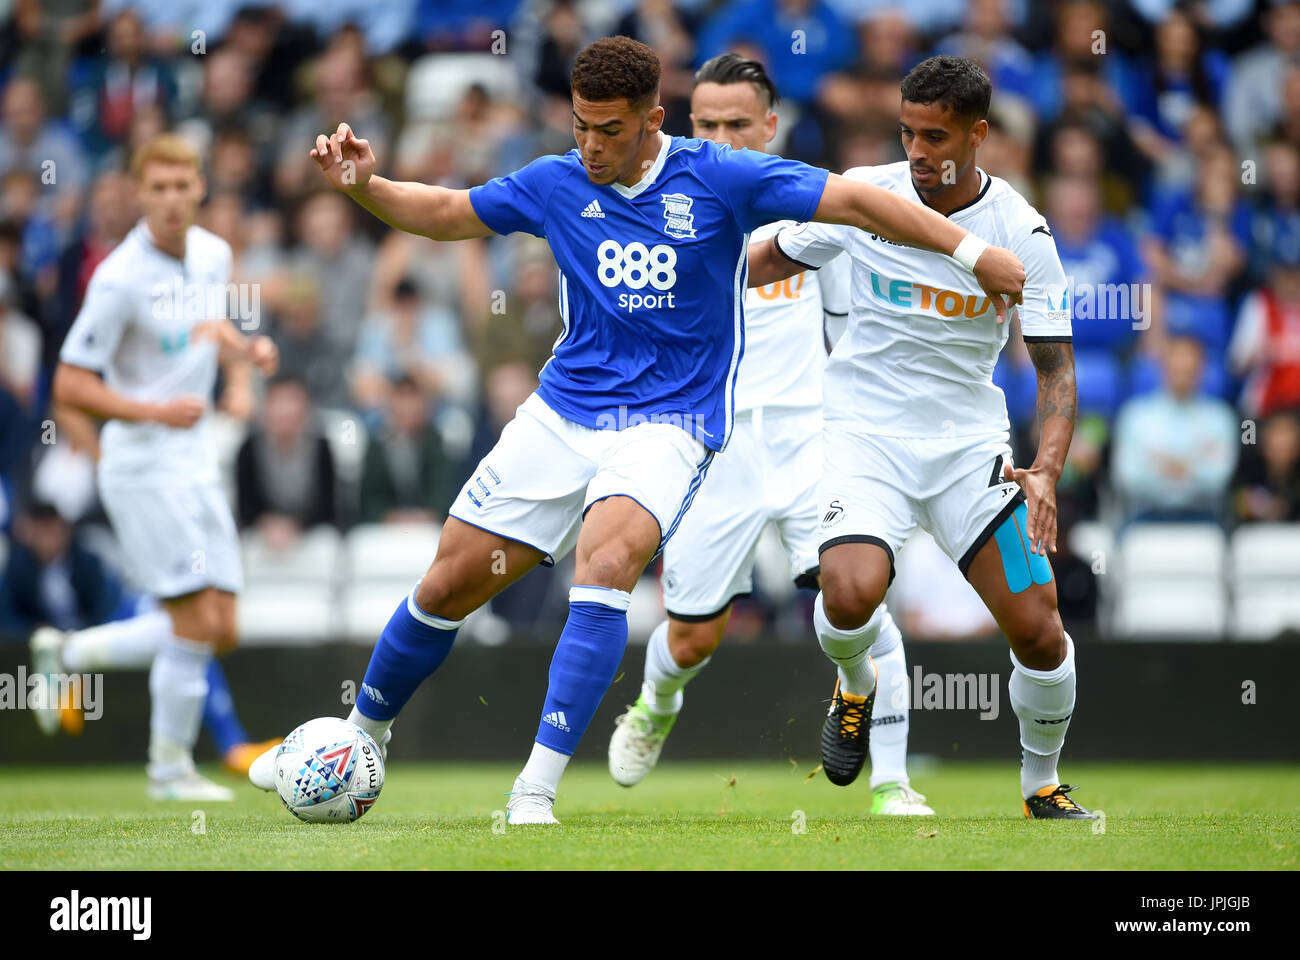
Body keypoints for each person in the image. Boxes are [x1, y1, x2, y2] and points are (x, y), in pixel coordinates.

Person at [248, 36, 1025, 825]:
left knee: (608, 559)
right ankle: (354, 740)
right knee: (449, 582)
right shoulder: (555, 181)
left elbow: (859, 202)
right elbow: (448, 213)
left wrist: (970, 250)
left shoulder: (719, 176)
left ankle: (534, 792)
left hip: (673, 423)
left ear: (653, 120)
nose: (589, 144)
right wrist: (364, 184)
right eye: (581, 125)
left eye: (609, 129)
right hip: (564, 411)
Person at [749, 56, 1093, 819]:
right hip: (864, 435)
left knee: (1039, 631)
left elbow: (1056, 371)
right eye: (907, 133)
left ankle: (1042, 785)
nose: (918, 152)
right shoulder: (862, 196)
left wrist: (1045, 468)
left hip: (969, 450)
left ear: (978, 135)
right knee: (849, 593)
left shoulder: (1021, 233)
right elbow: (765, 259)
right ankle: (857, 681)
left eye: (935, 137)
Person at [606, 54, 931, 816]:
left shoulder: (813, 206)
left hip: (812, 441)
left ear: (771, 127)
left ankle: (892, 783)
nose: (721, 136)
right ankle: (656, 705)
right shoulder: (653, 207)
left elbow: (857, 331)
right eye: (707, 124)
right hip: (707, 446)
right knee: (692, 639)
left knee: (860, 601)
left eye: (737, 125)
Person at [37, 133, 279, 801]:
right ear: (139, 195)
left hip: (194, 458)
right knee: (194, 621)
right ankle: (168, 770)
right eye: (159, 188)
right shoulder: (118, 278)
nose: (173, 199)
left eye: (183, 185)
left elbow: (207, 326)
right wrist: (147, 413)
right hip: (141, 465)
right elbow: (68, 385)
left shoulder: (213, 254)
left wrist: (243, 356)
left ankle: (70, 653)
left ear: (200, 187)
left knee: (221, 627)